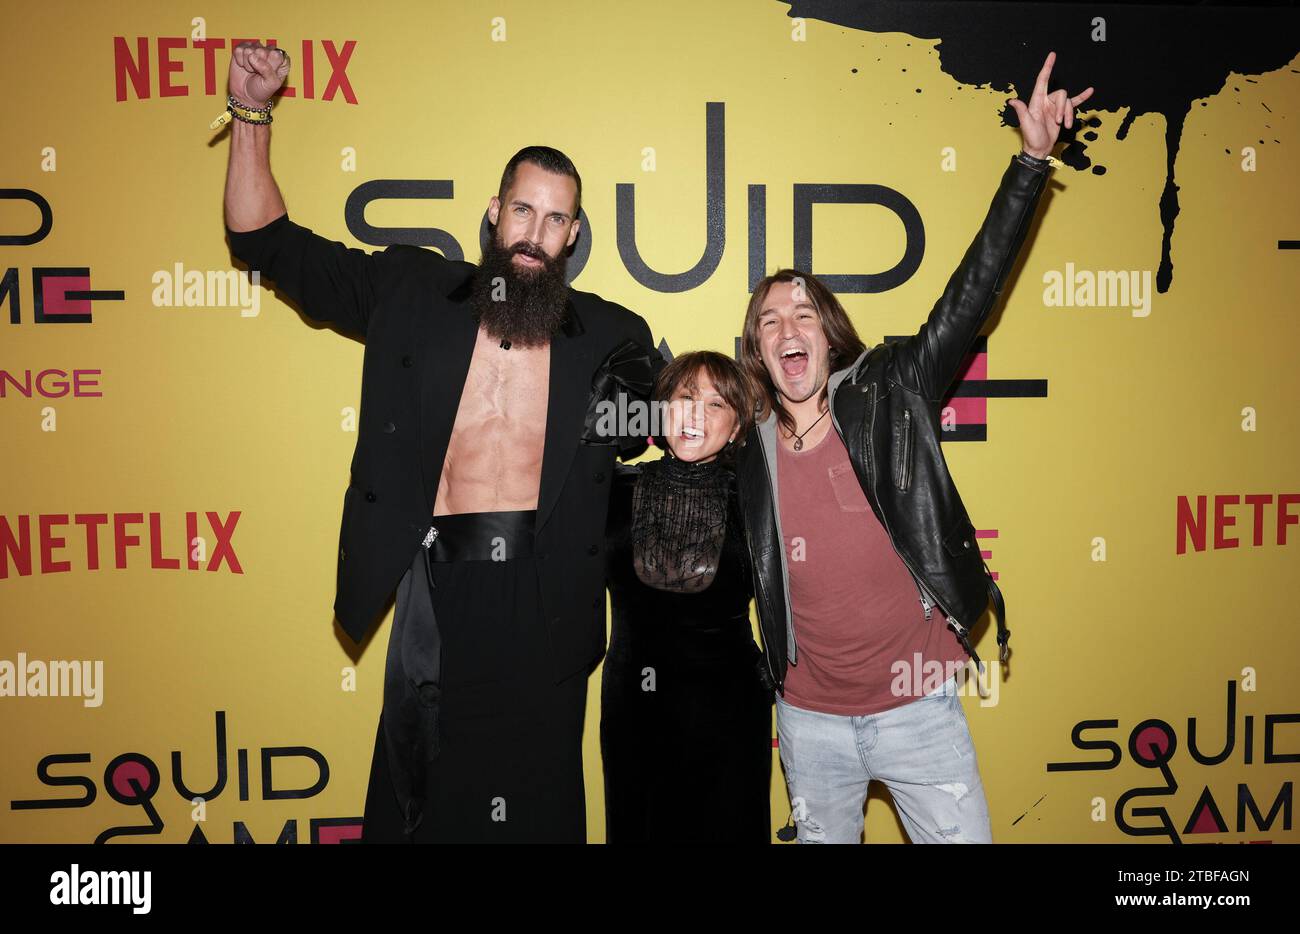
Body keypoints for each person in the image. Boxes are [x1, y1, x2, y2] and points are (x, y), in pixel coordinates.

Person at [221, 41, 659, 842]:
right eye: (523, 210)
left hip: (547, 611)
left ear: (573, 235)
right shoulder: (412, 292)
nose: (535, 233)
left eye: (556, 218)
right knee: (418, 808)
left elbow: (663, 415)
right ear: (495, 214)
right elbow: (267, 242)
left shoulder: (612, 333)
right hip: (440, 599)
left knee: (538, 818)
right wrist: (252, 113)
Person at [735, 52, 1094, 843]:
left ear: (829, 338)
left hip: (918, 708)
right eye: (769, 321)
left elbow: (975, 288)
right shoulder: (746, 450)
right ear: (757, 352)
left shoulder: (892, 391)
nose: (787, 328)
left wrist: (1032, 162)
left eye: (803, 315)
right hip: (808, 722)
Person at [600, 351, 772, 843]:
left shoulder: (760, 499)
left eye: (716, 404)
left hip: (730, 714)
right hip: (634, 711)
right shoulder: (609, 489)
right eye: (685, 398)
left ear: (738, 425)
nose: (696, 414)